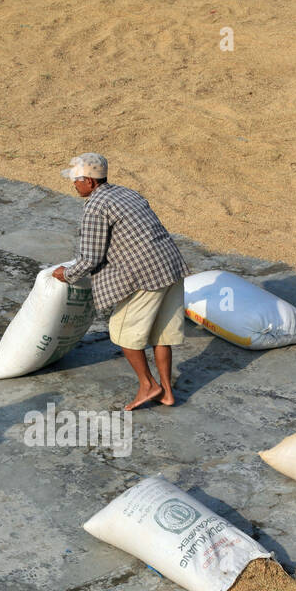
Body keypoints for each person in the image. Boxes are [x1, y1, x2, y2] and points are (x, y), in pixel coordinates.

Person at [53, 153, 188, 410]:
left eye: (76, 180)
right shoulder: (127, 193)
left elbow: (91, 257)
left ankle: (149, 385)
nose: (73, 184)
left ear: (90, 182)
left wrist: (66, 275)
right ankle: (167, 392)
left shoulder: (95, 205)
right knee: (162, 333)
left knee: (123, 332)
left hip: (145, 274)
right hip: (170, 265)